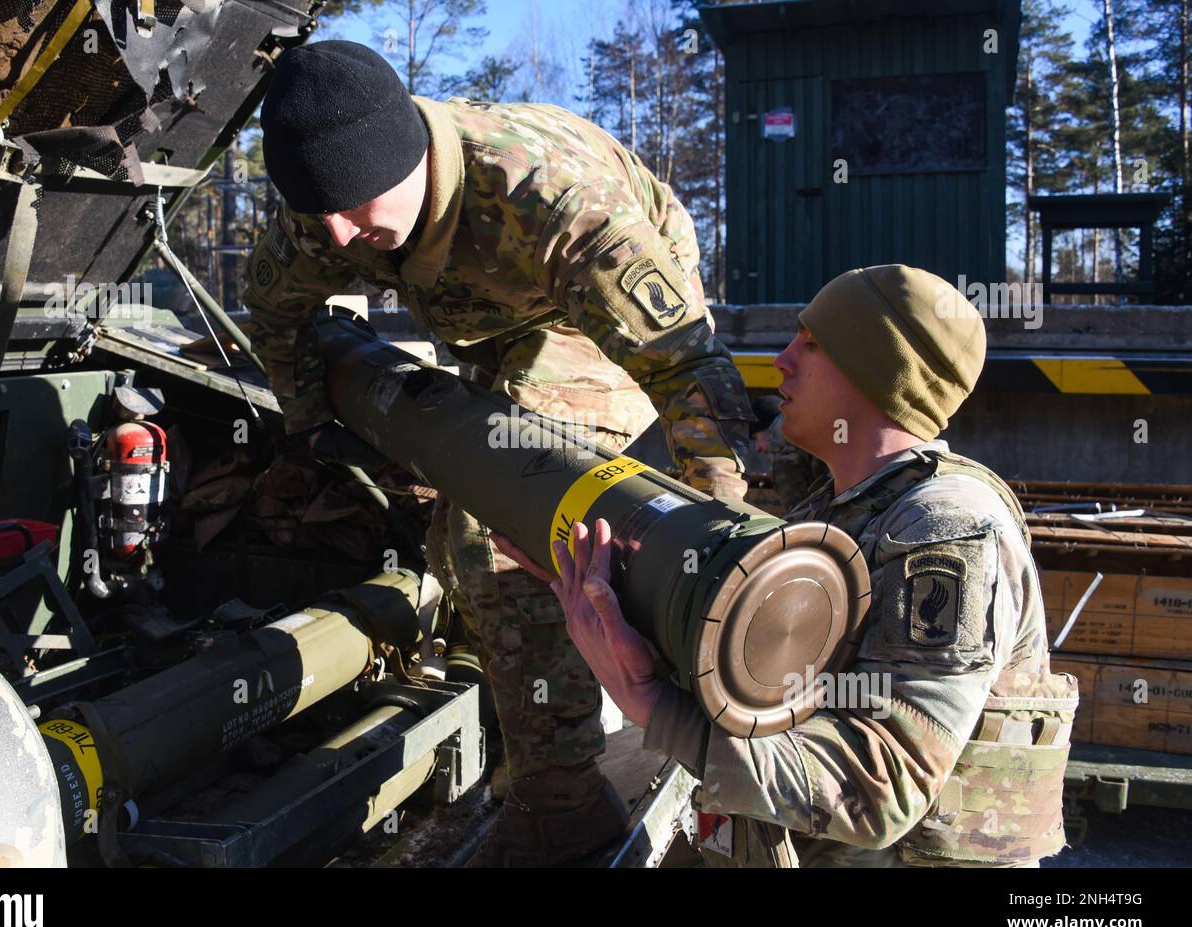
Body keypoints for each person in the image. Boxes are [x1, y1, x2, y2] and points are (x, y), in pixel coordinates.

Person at [241, 41, 756, 866]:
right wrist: (310, 428)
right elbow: (270, 311)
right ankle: (521, 688)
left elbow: (683, 359)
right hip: (491, 325)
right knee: (447, 524)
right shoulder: (330, 209)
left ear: (408, 156)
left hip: (588, 321)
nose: (340, 235)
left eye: (356, 205)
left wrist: (722, 536)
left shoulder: (545, 196)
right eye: (320, 213)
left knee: (496, 526)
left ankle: (562, 797)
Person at [496, 265, 1078, 867]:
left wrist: (648, 704)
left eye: (812, 342)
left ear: (874, 370)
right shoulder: (840, 511)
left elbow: (877, 790)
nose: (782, 360)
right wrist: (604, 595)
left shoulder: (946, 530)